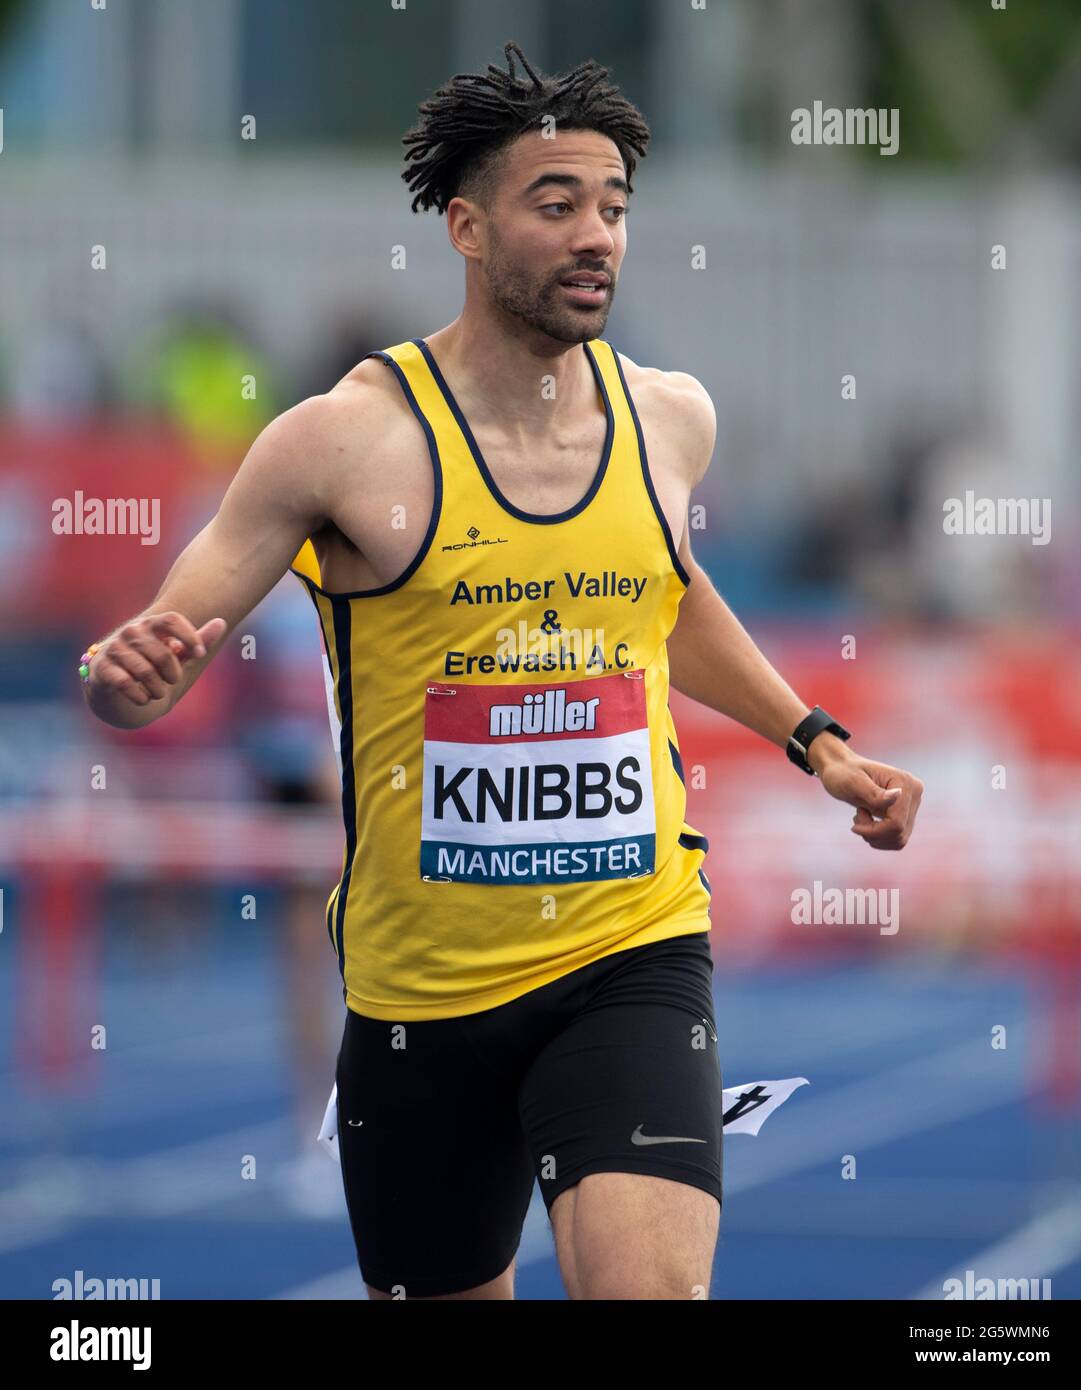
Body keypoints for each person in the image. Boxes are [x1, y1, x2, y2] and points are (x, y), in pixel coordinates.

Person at [79, 41, 923, 1300]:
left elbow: (662, 593)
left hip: (630, 949)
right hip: (422, 992)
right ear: (467, 227)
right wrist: (124, 681)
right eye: (557, 205)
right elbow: (158, 641)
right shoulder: (340, 443)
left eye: (616, 208)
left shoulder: (668, 418)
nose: (598, 237)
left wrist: (815, 739)